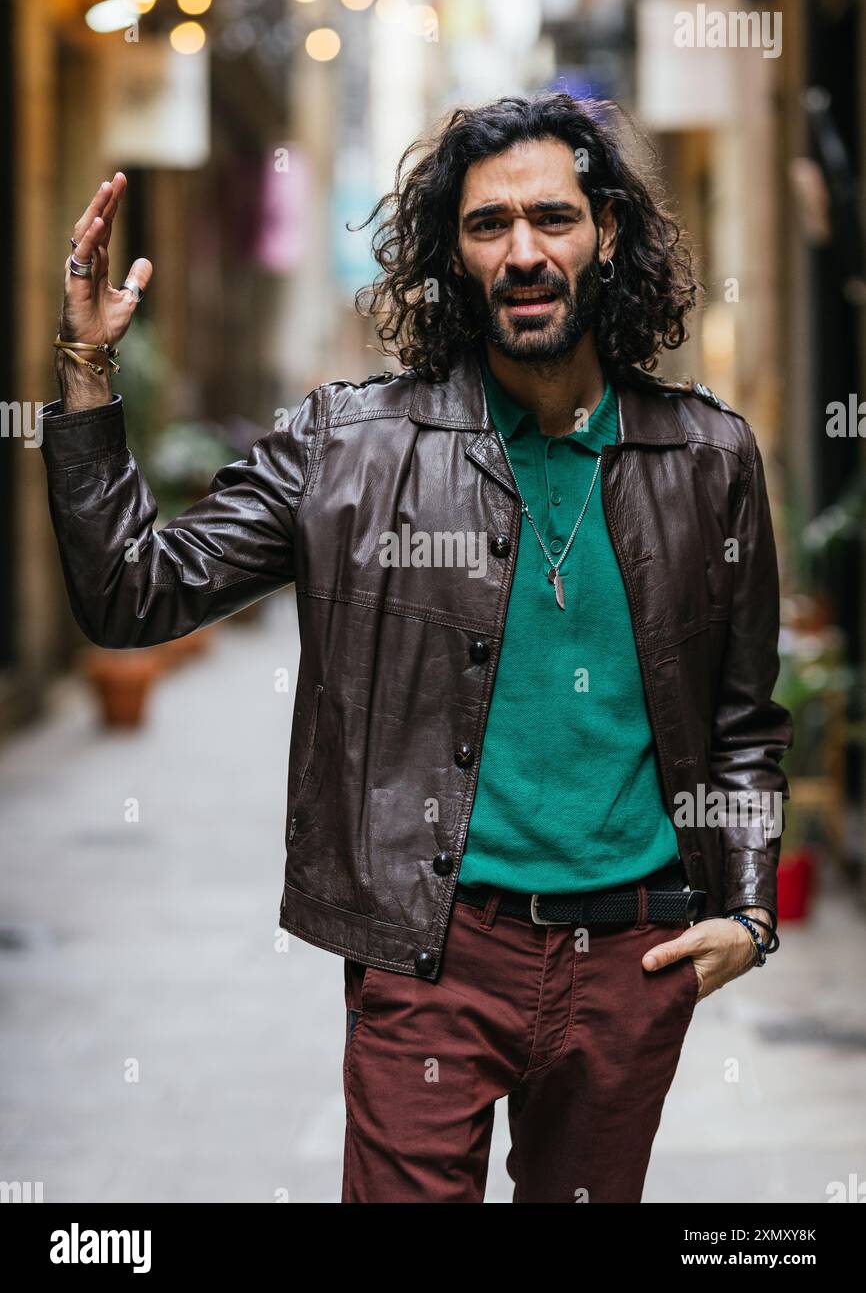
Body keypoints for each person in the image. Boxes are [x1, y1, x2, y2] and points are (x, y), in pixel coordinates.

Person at [39, 92, 792, 1203]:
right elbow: (131, 594)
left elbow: (740, 718)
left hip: (633, 954)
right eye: (488, 226)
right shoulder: (348, 446)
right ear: (452, 253)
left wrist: (747, 910)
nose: (523, 253)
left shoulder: (706, 456)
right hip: (430, 955)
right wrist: (87, 371)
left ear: (609, 234)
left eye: (553, 218)